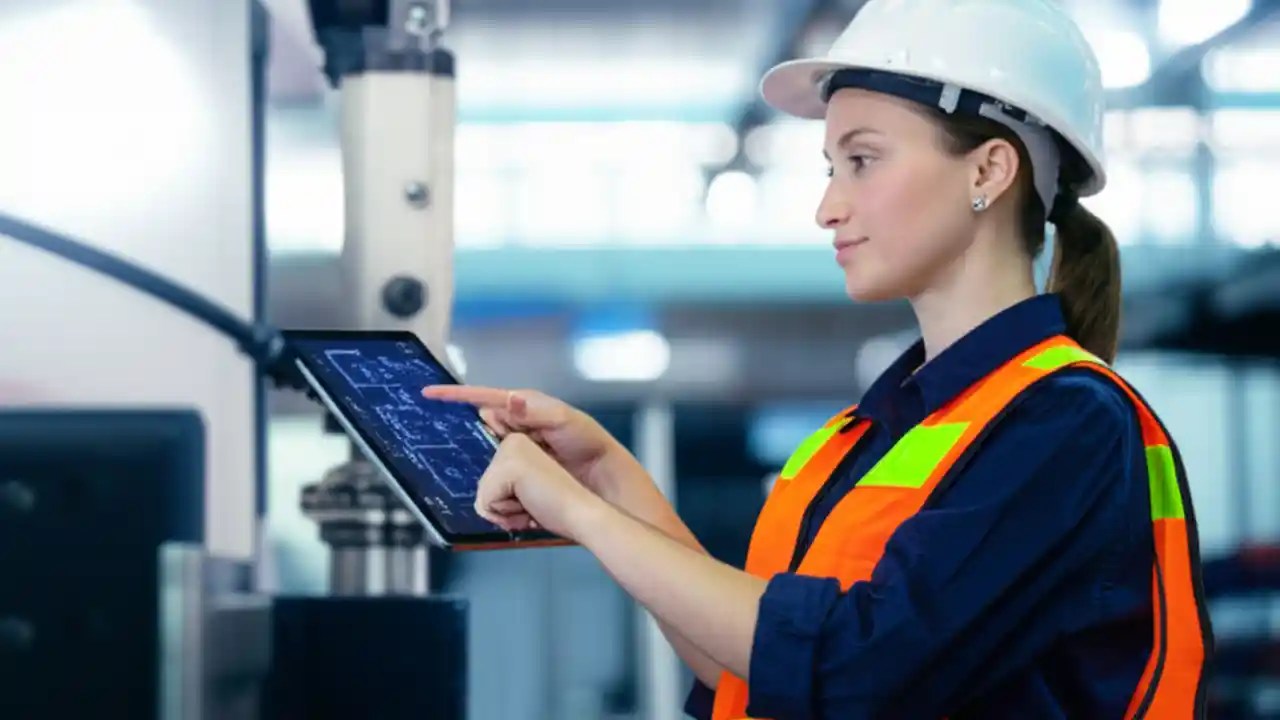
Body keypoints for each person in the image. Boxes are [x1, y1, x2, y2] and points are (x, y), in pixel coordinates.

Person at [423, 0, 1213, 716]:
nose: (827, 207)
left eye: (862, 160)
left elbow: (852, 664)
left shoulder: (1065, 423)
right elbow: (753, 664)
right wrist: (611, 480)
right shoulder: (867, 435)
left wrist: (582, 518)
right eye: (831, 169)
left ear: (988, 171)